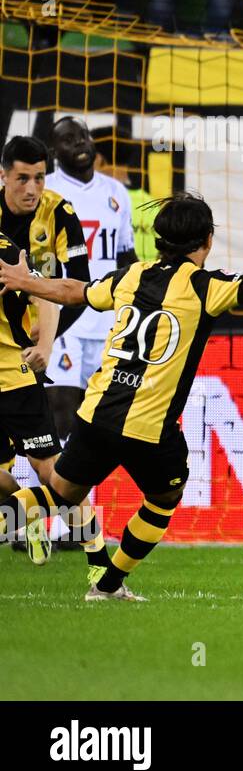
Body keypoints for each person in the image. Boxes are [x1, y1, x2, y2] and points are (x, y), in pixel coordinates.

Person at [0, 194, 243, 601]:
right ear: (208, 240)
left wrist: (26, 281)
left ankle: (83, 568)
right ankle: (109, 584)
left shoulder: (131, 276)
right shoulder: (206, 287)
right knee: (164, 497)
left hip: (94, 415)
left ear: (159, 240)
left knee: (59, 494)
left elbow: (75, 290)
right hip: (148, 429)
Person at [44, 118, 138, 443]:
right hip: (61, 317)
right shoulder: (46, 190)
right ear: (55, 150)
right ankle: (51, 491)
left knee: (95, 420)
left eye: (83, 136)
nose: (80, 143)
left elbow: (126, 256)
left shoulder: (116, 192)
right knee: (60, 408)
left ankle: (76, 492)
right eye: (69, 139)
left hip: (105, 320)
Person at [0, 228, 80, 569]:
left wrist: (45, 347)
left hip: (13, 380)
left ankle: (100, 560)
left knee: (52, 472)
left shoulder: (4, 250)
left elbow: (46, 296)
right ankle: (28, 515)